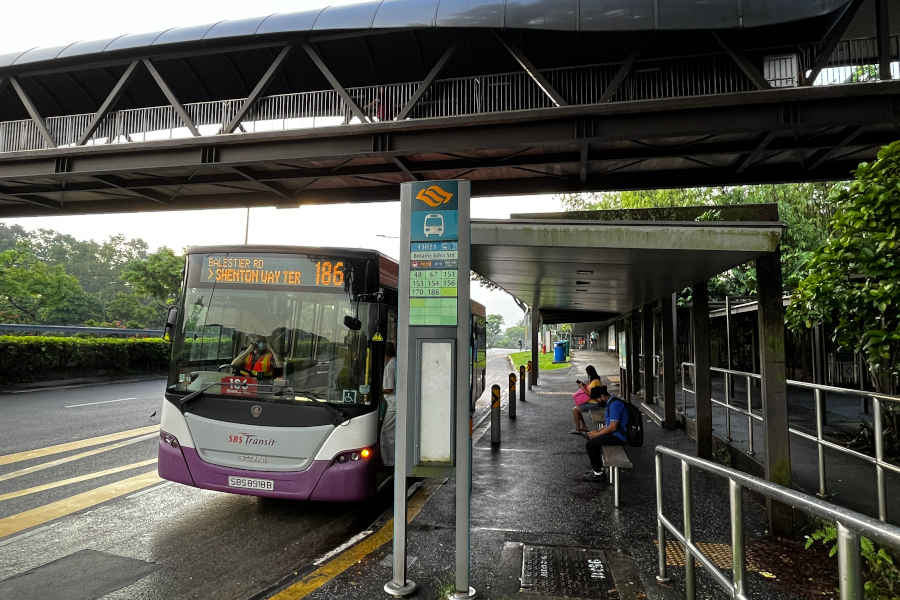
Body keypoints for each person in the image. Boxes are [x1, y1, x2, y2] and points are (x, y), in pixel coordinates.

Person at [582, 386, 629, 482]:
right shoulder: (611, 402)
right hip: (615, 433)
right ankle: (597, 469)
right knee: (592, 441)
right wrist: (597, 432)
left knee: (590, 444)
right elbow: (609, 424)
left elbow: (613, 427)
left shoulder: (615, 405)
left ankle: (598, 474)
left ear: (602, 396)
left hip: (619, 437)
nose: (598, 401)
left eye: (598, 399)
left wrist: (596, 435)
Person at [570, 365, 603, 434]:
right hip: (591, 402)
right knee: (576, 408)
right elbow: (590, 390)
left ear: (589, 373)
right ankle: (583, 426)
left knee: (575, 410)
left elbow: (591, 395)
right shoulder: (594, 380)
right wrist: (584, 385)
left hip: (595, 403)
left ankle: (578, 429)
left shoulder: (595, 382)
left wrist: (582, 388)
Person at [380, 342, 397, 467]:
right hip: (395, 404)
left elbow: (389, 388)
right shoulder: (395, 363)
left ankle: (389, 463)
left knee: (386, 433)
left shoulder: (390, 366)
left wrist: (375, 390)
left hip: (393, 405)